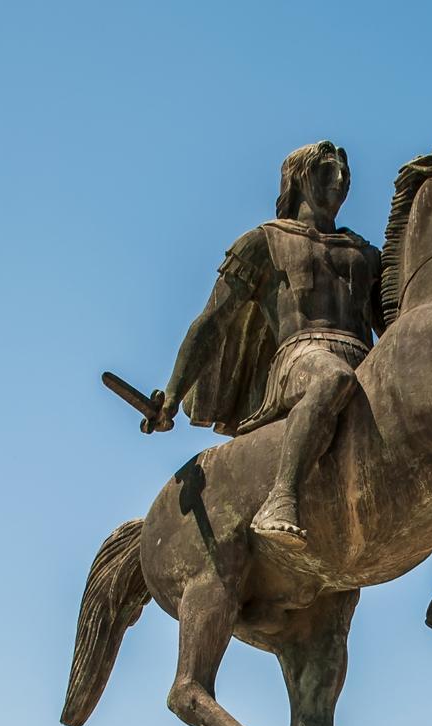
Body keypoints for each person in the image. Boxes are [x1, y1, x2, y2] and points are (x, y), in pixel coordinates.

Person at [164, 140, 384, 548]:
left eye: (345, 172)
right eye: (327, 170)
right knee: (332, 378)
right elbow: (211, 322)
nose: (340, 179)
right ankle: (281, 499)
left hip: (366, 361)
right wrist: (172, 395)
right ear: (299, 179)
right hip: (301, 358)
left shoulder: (366, 254)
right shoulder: (264, 241)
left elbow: (394, 323)